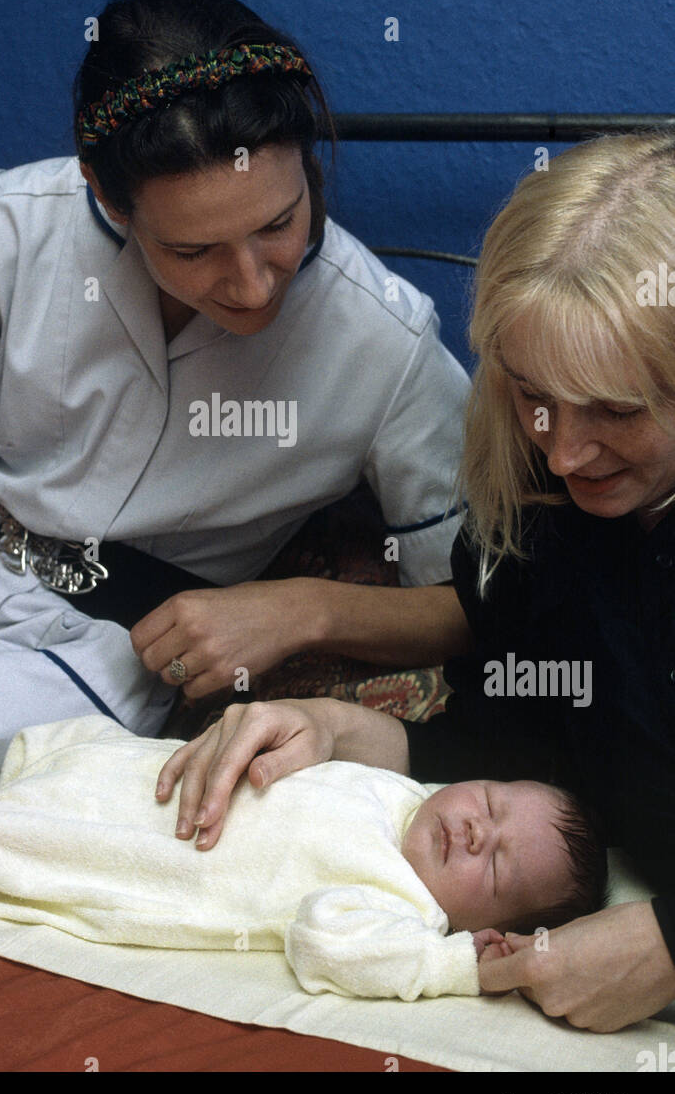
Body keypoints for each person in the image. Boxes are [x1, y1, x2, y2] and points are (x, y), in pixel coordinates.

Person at [0, 0, 470, 907]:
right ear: (105, 196)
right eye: (194, 250)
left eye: (279, 224)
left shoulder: (386, 345)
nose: (250, 284)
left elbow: (480, 605)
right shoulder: (0, 230)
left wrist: (299, 608)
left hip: (97, 650)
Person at [155, 130, 675, 1032]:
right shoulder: (537, 514)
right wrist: (344, 731)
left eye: (616, 411)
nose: (563, 448)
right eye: (530, 393)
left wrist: (666, 949)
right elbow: (532, 737)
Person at [0, 713, 606, 1003]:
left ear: (478, 923)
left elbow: (329, 946)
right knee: (76, 755)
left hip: (115, 850)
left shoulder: (402, 908)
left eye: (494, 868)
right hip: (120, 772)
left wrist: (455, 967)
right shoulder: (395, 787)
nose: (474, 832)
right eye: (491, 804)